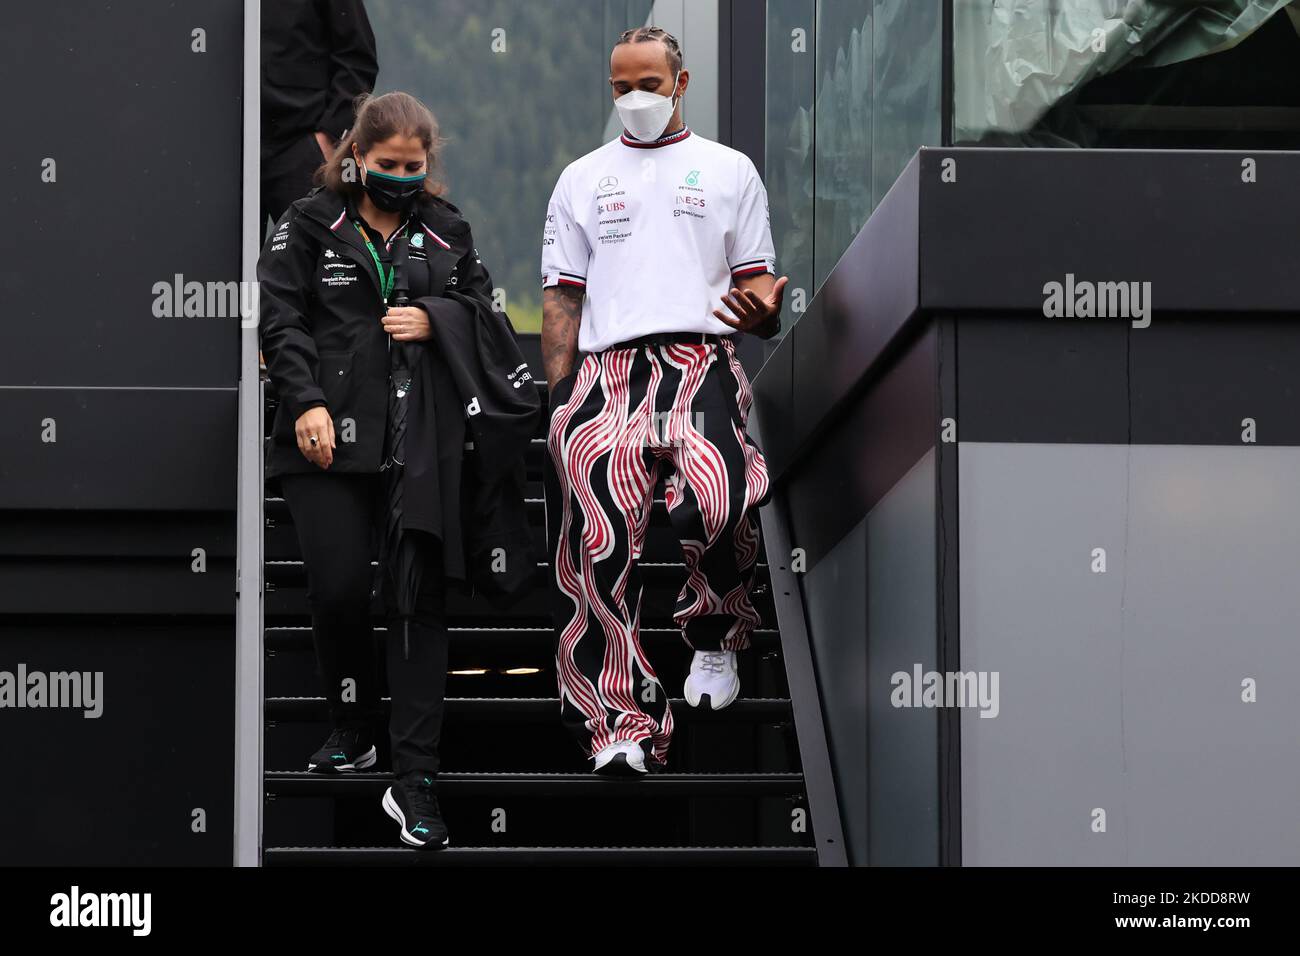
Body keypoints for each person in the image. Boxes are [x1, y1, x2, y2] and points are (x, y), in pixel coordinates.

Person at [259, 91, 537, 849]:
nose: (403, 177)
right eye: (388, 165)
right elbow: (280, 316)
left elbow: (489, 324)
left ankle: (415, 780)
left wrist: (435, 317)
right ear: (355, 156)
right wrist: (306, 400)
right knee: (342, 585)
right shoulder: (308, 222)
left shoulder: (448, 231)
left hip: (422, 449)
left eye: (415, 167)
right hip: (322, 443)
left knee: (418, 607)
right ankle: (353, 724)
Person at [540, 27, 787, 775]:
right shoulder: (581, 178)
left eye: (649, 83)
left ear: (680, 84)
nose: (636, 99)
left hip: (697, 358)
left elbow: (760, 290)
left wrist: (765, 310)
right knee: (594, 543)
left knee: (718, 494)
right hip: (605, 370)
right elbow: (559, 296)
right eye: (622, 87)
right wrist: (560, 398)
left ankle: (713, 633)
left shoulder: (727, 169)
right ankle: (617, 718)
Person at [261, 0, 378, 233]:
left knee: (321, 258)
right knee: (216, 263)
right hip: (222, 149)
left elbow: (358, 57)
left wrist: (329, 138)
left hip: (300, 146)